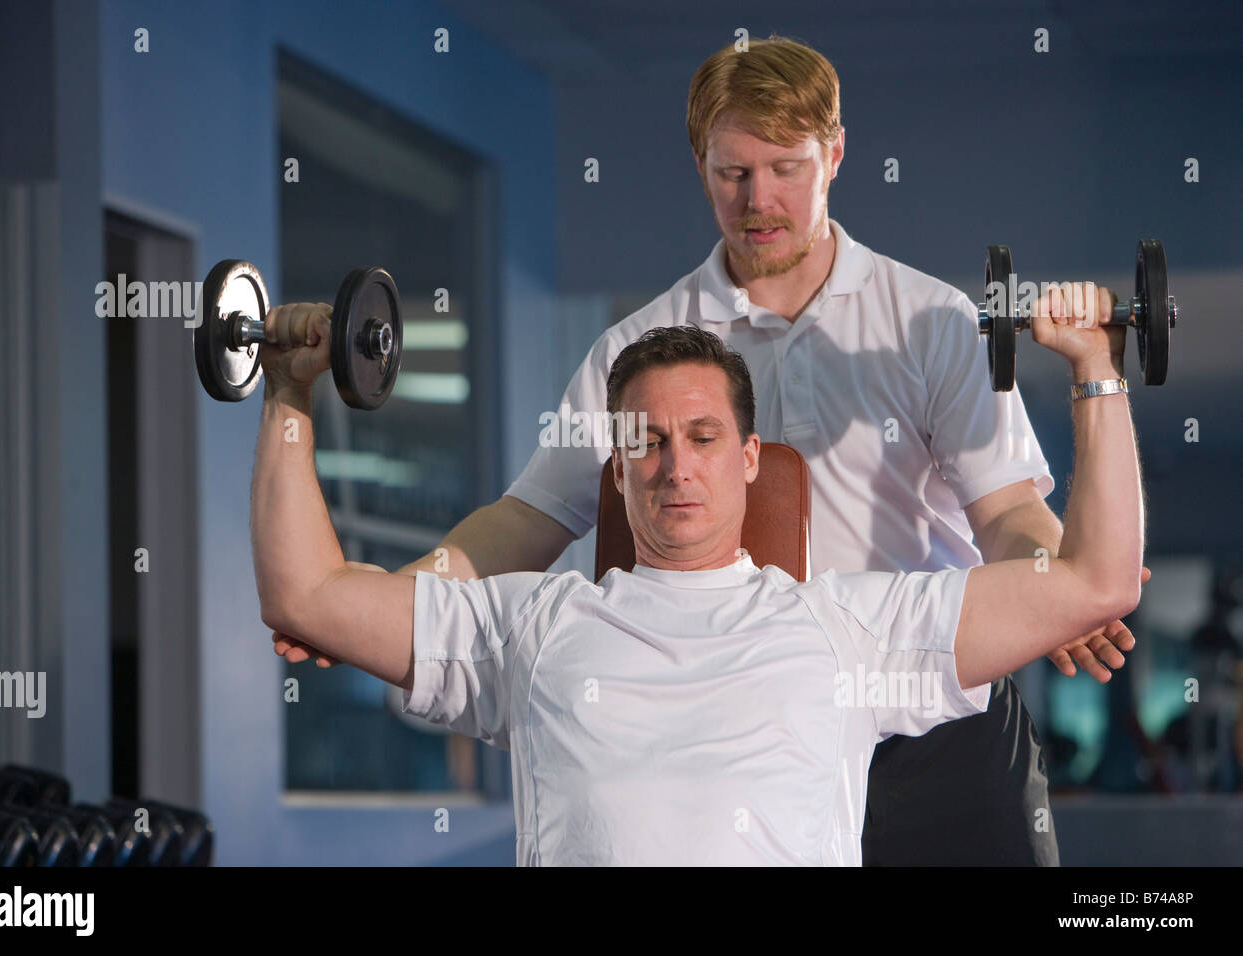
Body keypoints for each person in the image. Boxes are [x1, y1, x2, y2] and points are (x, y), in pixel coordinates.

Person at [269, 36, 1142, 865]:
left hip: (928, 703)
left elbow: (1009, 514)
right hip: (749, 723)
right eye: (733, 173)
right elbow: (525, 521)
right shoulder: (639, 349)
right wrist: (378, 604)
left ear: (835, 155)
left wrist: (1056, 588)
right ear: (701, 169)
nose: (758, 200)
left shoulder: (931, 323)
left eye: (785, 170)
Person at [252, 294, 1143, 864]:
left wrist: (1096, 366)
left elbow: (1096, 581)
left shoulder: (849, 628)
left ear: (750, 459)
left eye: (704, 438)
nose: (676, 466)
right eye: (647, 441)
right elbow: (308, 596)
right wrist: (289, 394)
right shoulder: (529, 623)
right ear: (616, 465)